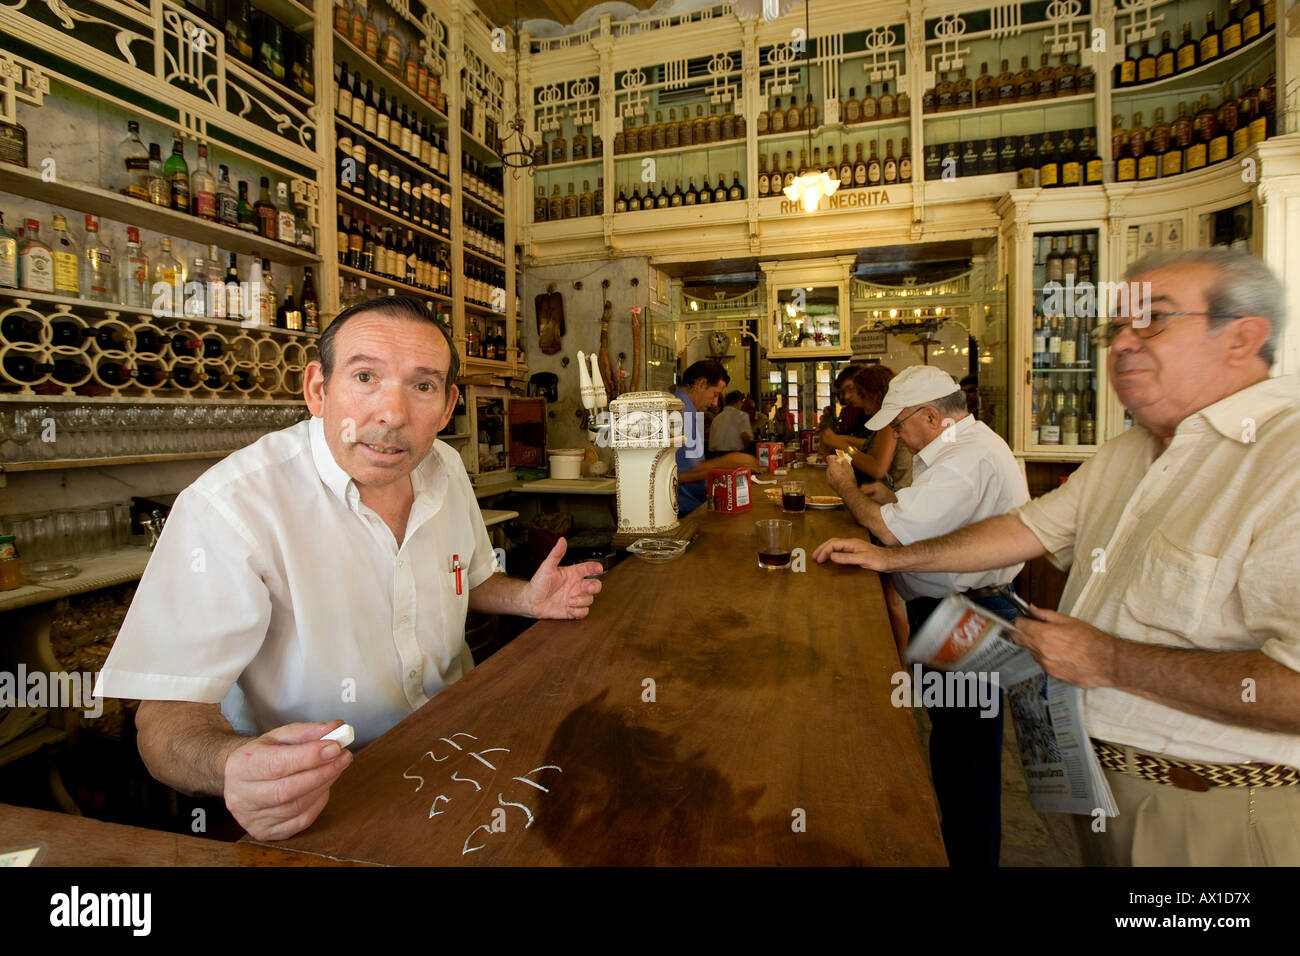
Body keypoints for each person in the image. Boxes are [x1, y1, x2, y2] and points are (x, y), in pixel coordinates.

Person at [814, 247, 1300, 867]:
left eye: (1152, 320)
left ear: (1242, 337)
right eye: (1114, 326)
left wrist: (1113, 662)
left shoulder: (1284, 459)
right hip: (1109, 787)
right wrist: (890, 559)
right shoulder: (1134, 450)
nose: (1121, 343)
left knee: (963, 751)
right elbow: (1021, 530)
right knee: (958, 746)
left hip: (1214, 809)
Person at [96, 296, 604, 842]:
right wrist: (234, 765)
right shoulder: (232, 506)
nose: (393, 414)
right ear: (318, 389)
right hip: (328, 797)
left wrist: (528, 599)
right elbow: (165, 719)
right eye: (365, 377)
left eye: (423, 386)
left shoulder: (445, 466)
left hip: (464, 749)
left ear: (449, 402)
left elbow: (472, 579)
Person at [820, 364, 1029, 866]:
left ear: (931, 416)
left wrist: (846, 485)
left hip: (965, 614)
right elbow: (939, 518)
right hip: (953, 609)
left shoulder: (964, 459)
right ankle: (957, 845)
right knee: (956, 746)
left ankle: (969, 856)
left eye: (899, 424)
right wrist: (893, 498)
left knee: (966, 759)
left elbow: (892, 535)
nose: (895, 433)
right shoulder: (960, 448)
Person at [675, 360, 760, 515]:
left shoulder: (690, 411)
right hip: (684, 510)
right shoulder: (681, 412)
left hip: (694, 502)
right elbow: (683, 474)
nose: (715, 403)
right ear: (701, 384)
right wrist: (730, 461)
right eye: (715, 394)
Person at [823, 364, 913, 491]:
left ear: (875, 394)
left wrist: (843, 445)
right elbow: (875, 449)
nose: (860, 400)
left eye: (863, 395)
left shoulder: (890, 419)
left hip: (898, 497)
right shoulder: (886, 417)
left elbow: (878, 469)